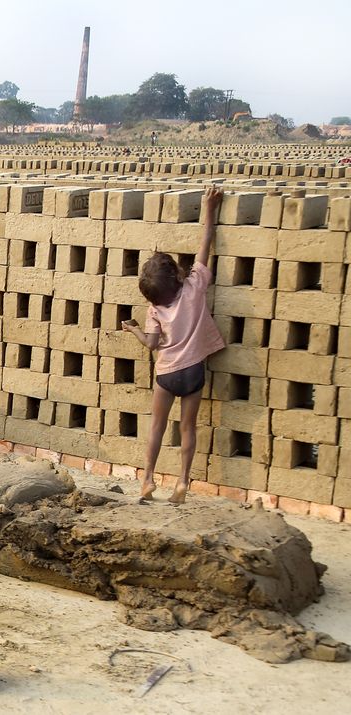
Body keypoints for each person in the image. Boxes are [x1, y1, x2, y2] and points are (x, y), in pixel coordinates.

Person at [122, 187, 226, 504]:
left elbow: (152, 345)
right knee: (188, 430)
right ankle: (182, 483)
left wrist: (134, 330)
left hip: (166, 373)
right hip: (194, 371)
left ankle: (148, 480)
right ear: (178, 276)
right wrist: (210, 207)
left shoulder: (155, 309)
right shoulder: (195, 288)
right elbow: (205, 241)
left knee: (157, 427)